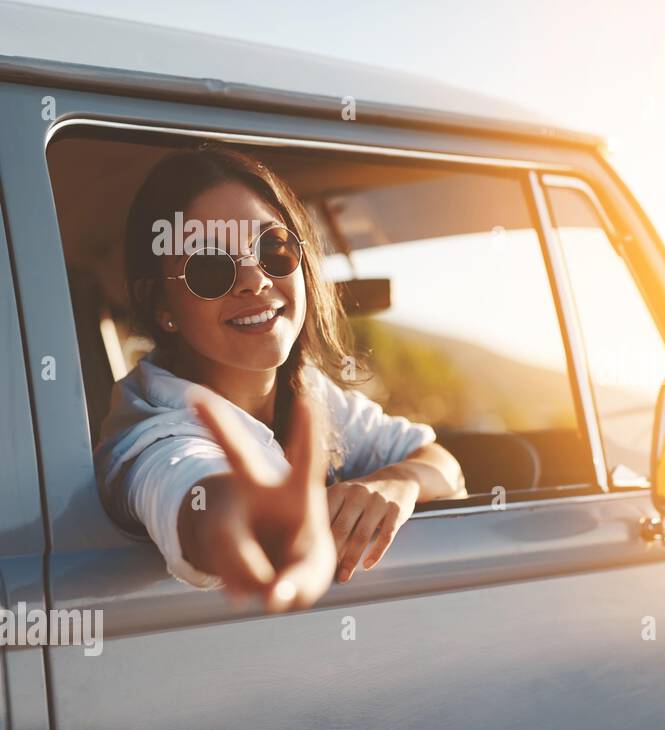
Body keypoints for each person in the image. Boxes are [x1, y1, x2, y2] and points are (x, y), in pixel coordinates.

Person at [95, 145, 465, 612]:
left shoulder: (308, 390)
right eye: (209, 267)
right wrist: (253, 526)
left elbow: (442, 463)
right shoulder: (151, 434)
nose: (254, 279)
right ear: (162, 306)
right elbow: (188, 490)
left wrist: (397, 482)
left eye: (273, 248)